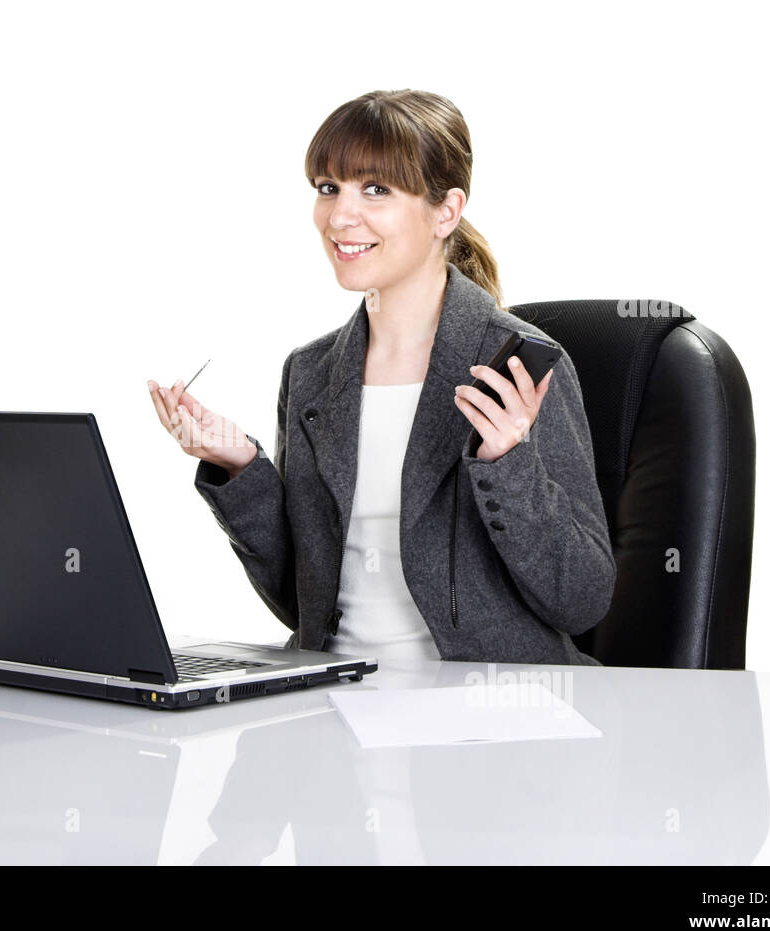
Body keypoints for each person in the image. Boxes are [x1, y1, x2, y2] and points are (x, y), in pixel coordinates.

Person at [148, 90, 614, 666]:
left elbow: (584, 601)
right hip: (338, 696)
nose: (341, 216)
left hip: (483, 710)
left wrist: (508, 464)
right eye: (328, 188)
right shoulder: (310, 373)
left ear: (445, 211)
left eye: (376, 190)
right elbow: (304, 607)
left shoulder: (520, 365)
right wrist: (239, 467)